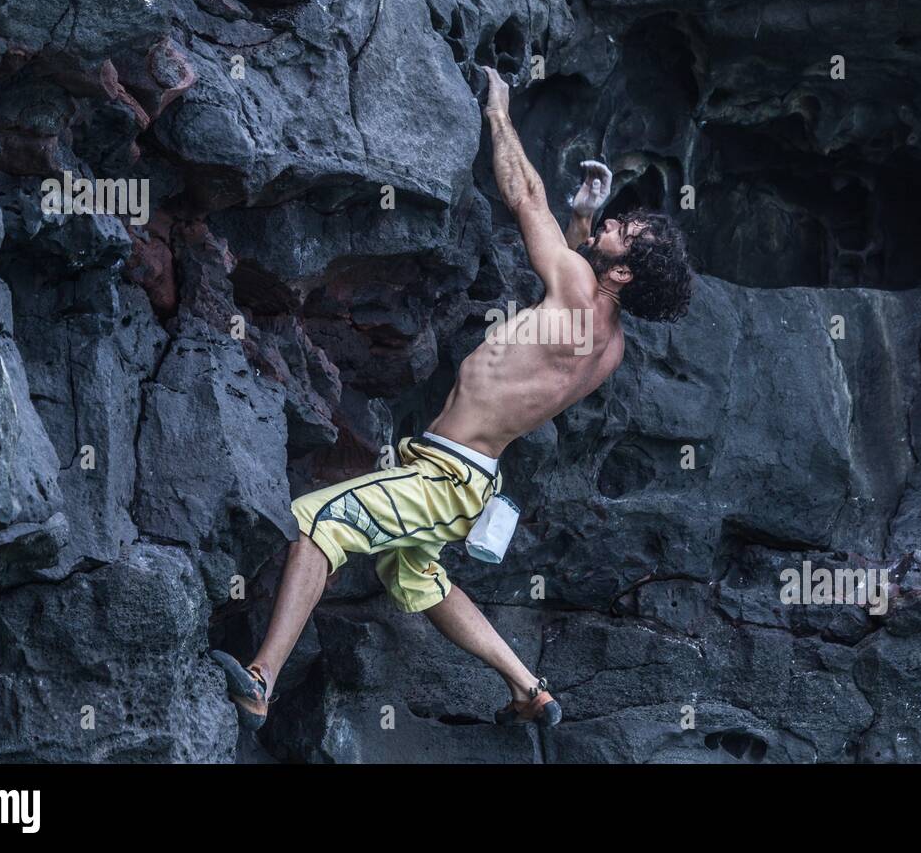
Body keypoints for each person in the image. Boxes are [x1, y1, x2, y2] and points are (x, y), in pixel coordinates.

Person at [212, 67, 693, 731]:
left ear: (619, 272)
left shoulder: (580, 286)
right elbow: (572, 287)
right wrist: (583, 214)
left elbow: (525, 196)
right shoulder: (609, 346)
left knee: (318, 525)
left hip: (444, 476)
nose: (615, 223)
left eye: (623, 236)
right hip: (470, 479)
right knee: (417, 578)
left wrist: (498, 112)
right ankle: (531, 688)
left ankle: (260, 680)